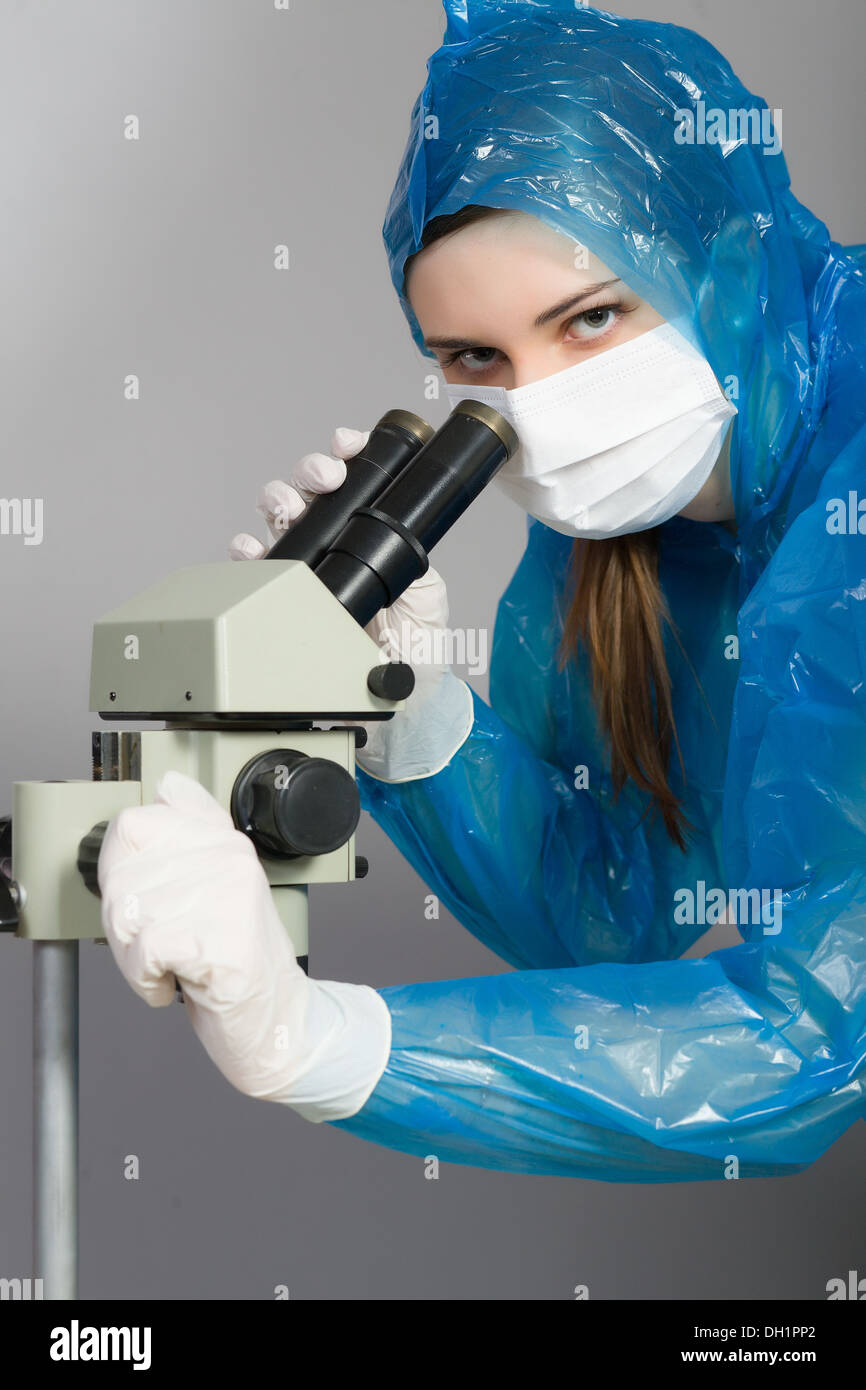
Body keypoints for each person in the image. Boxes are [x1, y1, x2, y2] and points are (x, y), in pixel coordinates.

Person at [99, 1, 866, 1179]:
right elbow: (606, 913)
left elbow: (816, 1035)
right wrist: (408, 710)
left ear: (722, 268)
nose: (539, 404)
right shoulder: (646, 534)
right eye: (475, 359)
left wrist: (324, 1042)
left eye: (590, 318)